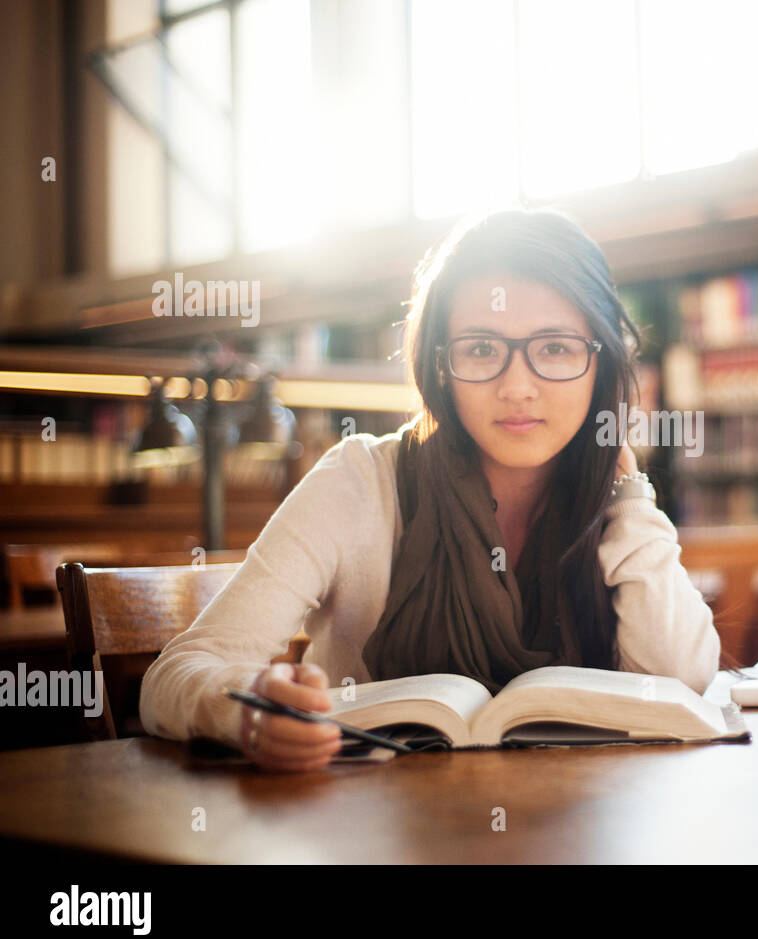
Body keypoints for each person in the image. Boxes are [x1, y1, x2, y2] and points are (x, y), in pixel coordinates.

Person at [138, 208, 721, 772]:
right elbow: (178, 674)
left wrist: (631, 497)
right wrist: (250, 712)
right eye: (481, 349)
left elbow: (680, 681)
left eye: (555, 348)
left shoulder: (614, 500)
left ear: (603, 363)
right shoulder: (360, 481)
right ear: (440, 365)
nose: (517, 387)